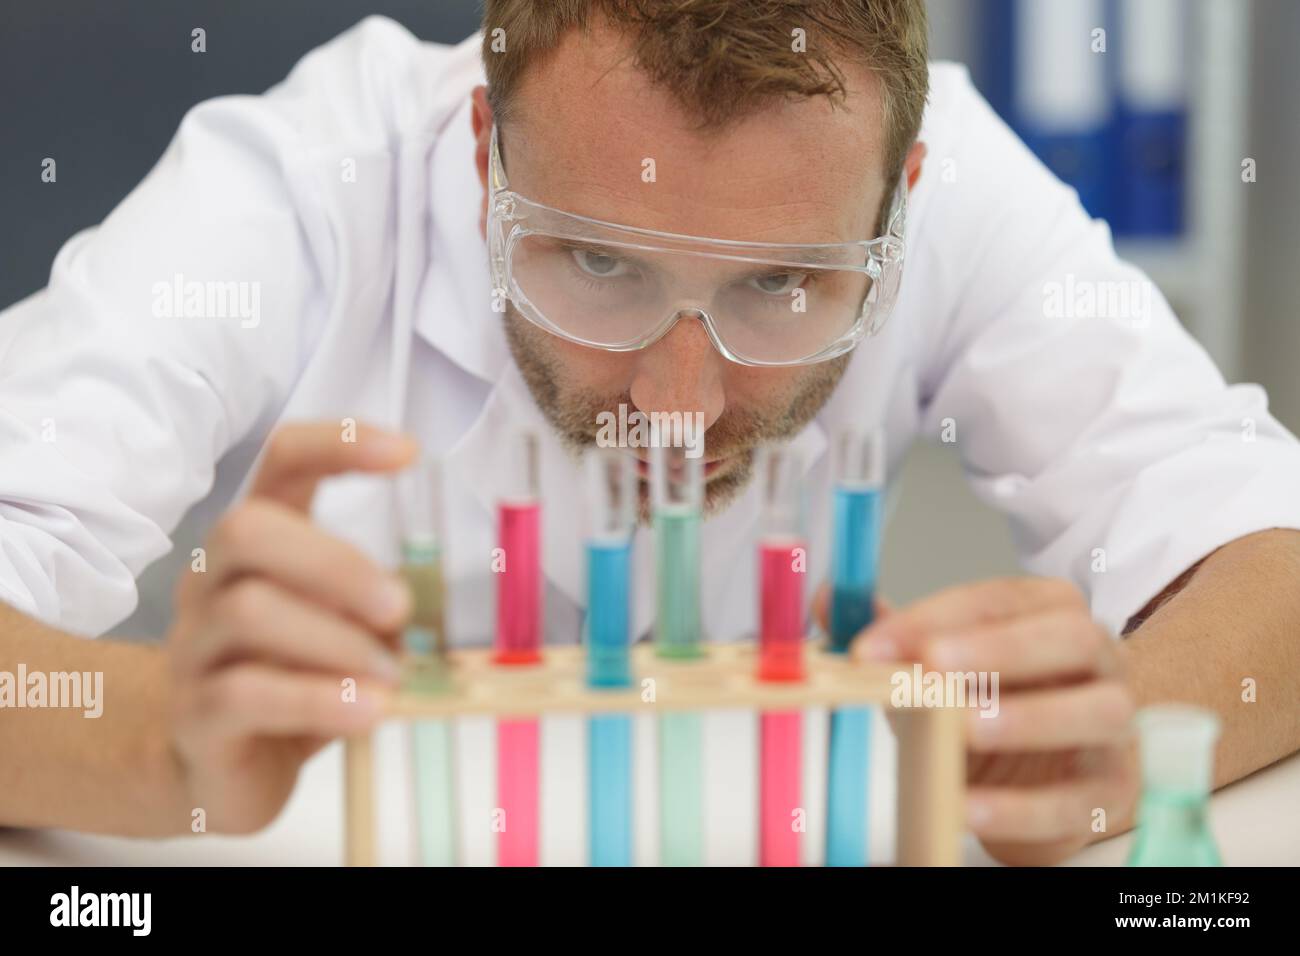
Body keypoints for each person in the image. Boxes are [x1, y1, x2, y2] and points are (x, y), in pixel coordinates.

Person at [1, 2, 1298, 867]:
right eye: (599, 267)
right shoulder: (296, 188)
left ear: (904, 194)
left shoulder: (943, 178)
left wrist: (1127, 729)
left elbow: (1267, 543)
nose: (678, 408)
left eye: (780, 289)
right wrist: (153, 741)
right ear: (483, 155)